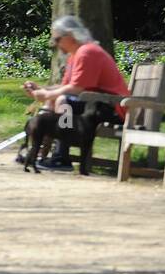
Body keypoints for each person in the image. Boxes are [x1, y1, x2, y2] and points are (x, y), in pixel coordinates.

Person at [21, 15, 129, 171]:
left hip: (112, 107)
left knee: (61, 101)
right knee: (55, 99)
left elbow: (76, 89)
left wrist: (48, 95)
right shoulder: (75, 55)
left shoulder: (87, 52)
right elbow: (67, 86)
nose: (55, 44)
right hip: (95, 103)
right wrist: (41, 89)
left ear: (70, 36)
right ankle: (39, 153)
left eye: (57, 39)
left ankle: (61, 157)